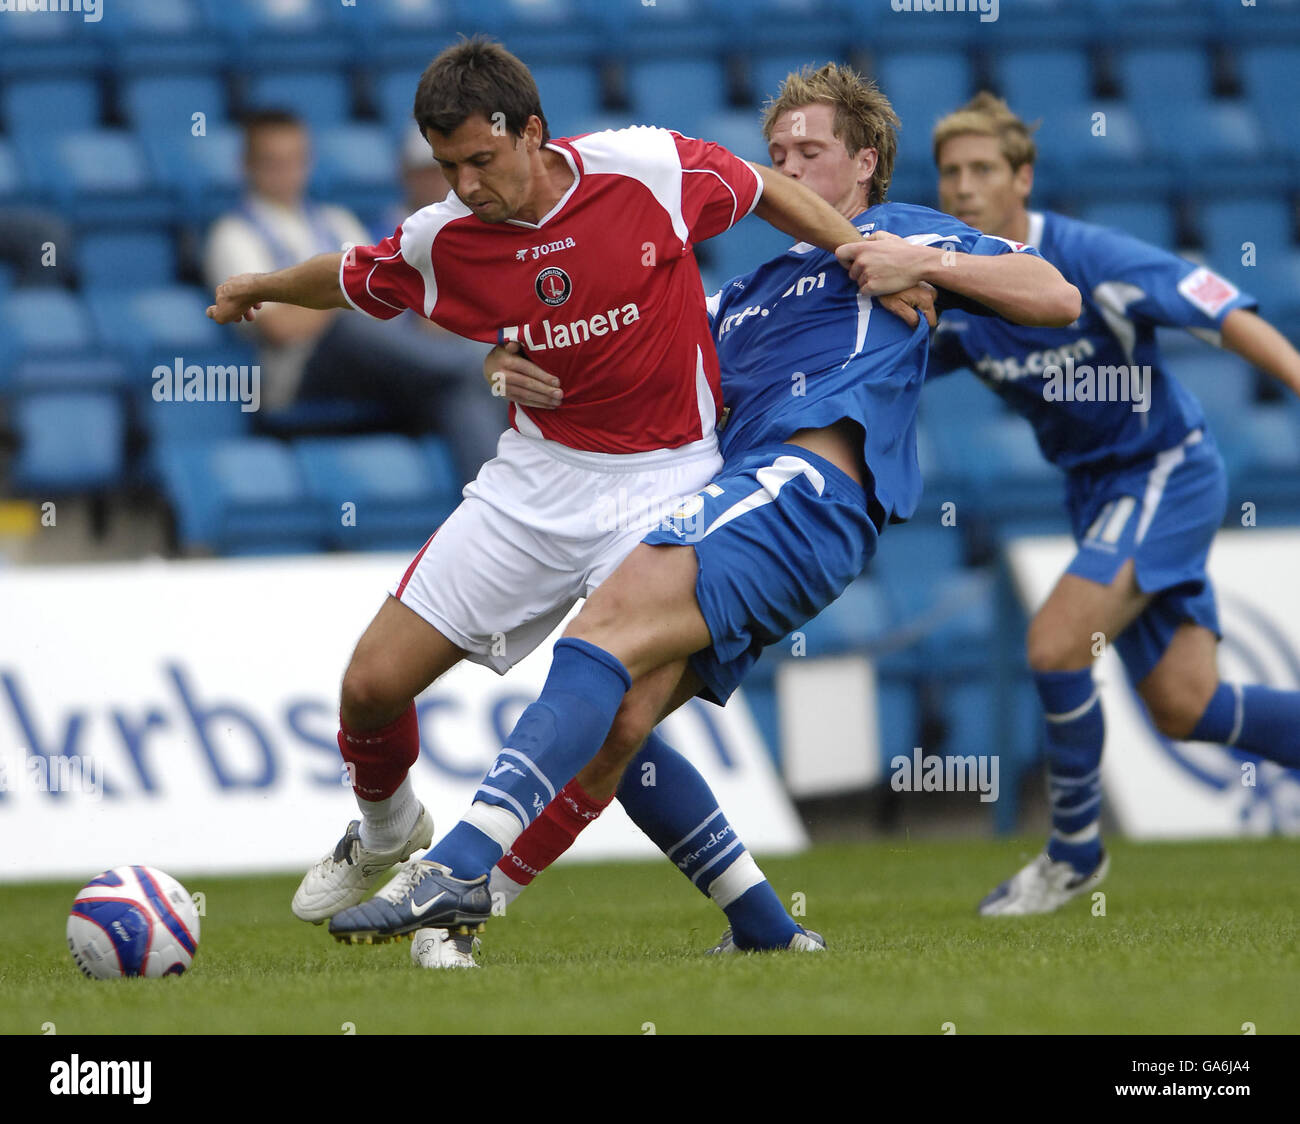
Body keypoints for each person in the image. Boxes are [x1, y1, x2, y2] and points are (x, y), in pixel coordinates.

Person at [323, 62, 1080, 965]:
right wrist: (504, 363)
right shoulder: (749, 294)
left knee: (599, 638)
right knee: (617, 723)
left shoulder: (899, 232)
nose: (789, 167)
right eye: (777, 153)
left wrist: (919, 260)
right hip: (741, 504)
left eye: (813, 150)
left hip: (799, 493)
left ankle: (457, 867)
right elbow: (622, 359)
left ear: (869, 161)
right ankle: (757, 926)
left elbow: (1055, 296)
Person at [206, 39, 914, 954]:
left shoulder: (644, 168)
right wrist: (261, 284)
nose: (464, 184)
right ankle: (389, 832)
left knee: (616, 724)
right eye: (446, 165)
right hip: (536, 485)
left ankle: (469, 903)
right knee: (370, 687)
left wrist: (859, 251)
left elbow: (760, 185)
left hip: (669, 480)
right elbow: (349, 275)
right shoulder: (444, 238)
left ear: (532, 134)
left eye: (480, 161)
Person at [926, 93, 1300, 915]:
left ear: (1022, 177)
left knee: (1057, 644)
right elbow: (895, 363)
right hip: (1098, 495)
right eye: (950, 172)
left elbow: (1224, 312)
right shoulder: (963, 285)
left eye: (983, 169)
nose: (962, 187)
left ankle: (1073, 856)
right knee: (1187, 705)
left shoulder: (1090, 258)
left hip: (1165, 471)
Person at [204, 108, 498, 476]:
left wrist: (340, 295)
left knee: (456, 393)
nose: (286, 173)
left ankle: (498, 512)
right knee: (351, 329)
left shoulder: (334, 219)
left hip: (372, 362)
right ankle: (476, 366)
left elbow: (384, 293)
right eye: (272, 163)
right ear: (247, 166)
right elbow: (281, 328)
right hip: (301, 375)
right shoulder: (233, 234)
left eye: (295, 160)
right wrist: (341, 296)